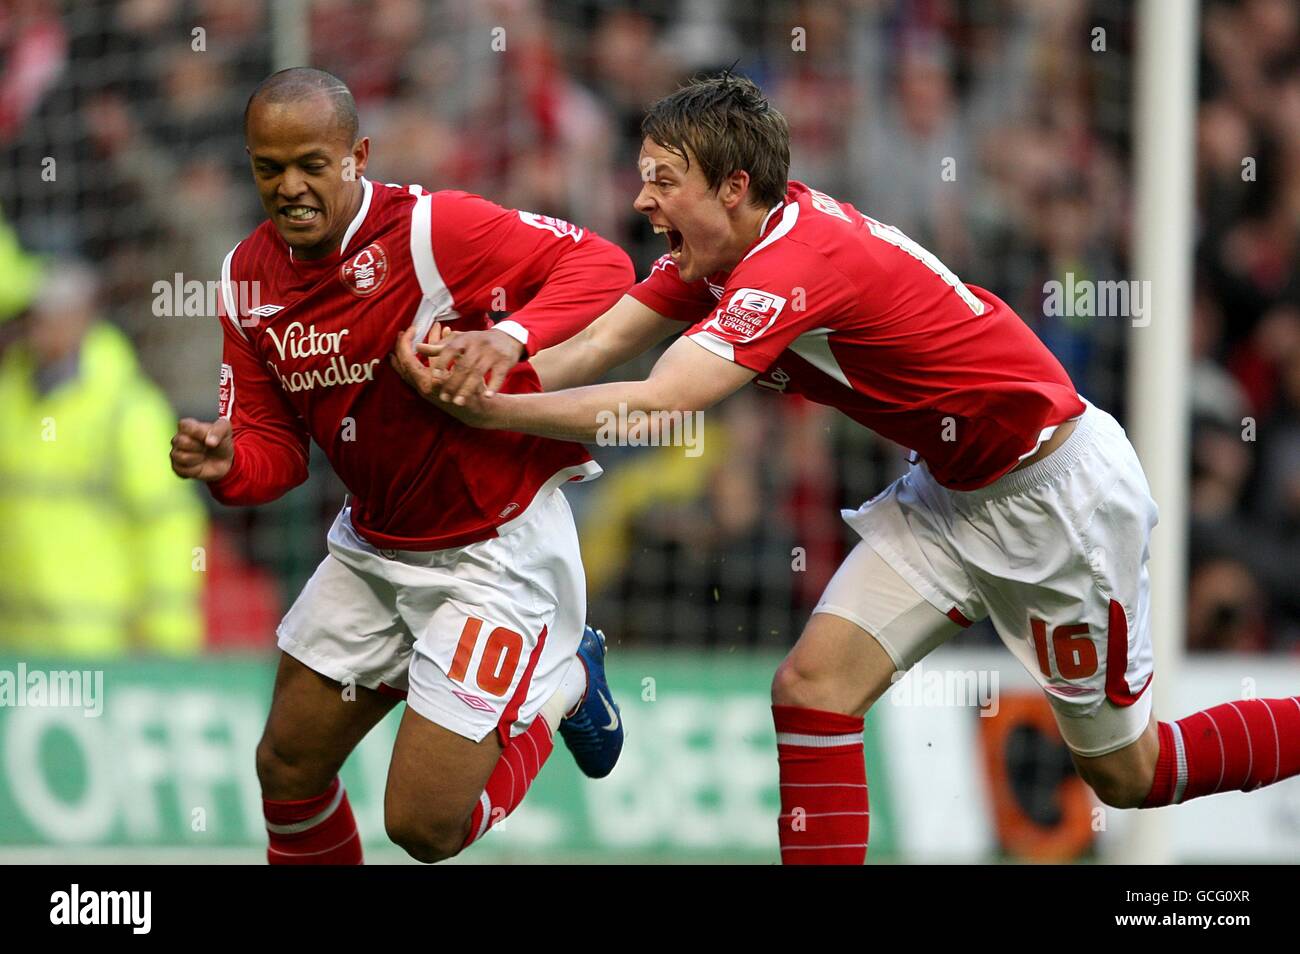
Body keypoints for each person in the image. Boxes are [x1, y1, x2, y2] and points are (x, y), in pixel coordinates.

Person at [394, 74, 1300, 865]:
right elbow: (599, 341)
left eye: (663, 182)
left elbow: (663, 401)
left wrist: (495, 409)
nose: (644, 204)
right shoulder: (724, 249)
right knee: (811, 690)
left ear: (734, 184)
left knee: (1129, 774)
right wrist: (481, 368)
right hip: (950, 494)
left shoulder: (794, 264)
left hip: (1053, 498)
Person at [170, 68, 632, 865]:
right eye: (268, 167)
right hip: (376, 543)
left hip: (494, 550)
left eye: (312, 163)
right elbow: (276, 454)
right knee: (286, 767)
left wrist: (510, 338)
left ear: (358, 155)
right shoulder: (246, 278)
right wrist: (228, 461)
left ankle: (564, 689)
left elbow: (603, 267)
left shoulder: (430, 231)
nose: (290, 187)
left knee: (422, 828)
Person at [0, 251, 205, 656]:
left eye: (50, 315)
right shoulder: (10, 394)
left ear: (81, 318)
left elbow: (167, 523)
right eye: (34, 316)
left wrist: (170, 640)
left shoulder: (128, 409)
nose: (38, 329)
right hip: (15, 645)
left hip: (99, 647)